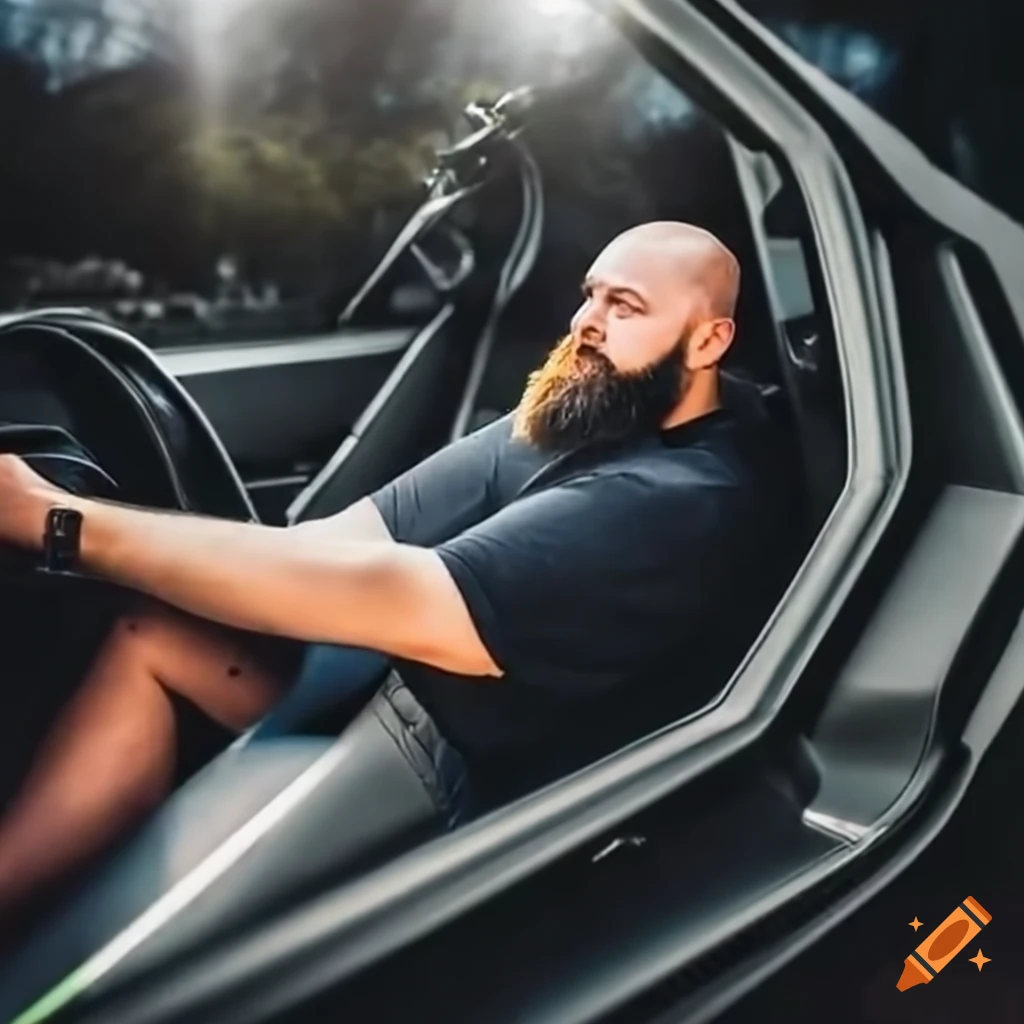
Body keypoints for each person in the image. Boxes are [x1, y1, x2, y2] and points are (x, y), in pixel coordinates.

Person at [0, 221, 797, 933]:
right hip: (393, 687)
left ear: (707, 342)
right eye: (589, 296)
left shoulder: (679, 500)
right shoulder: (585, 415)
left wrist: (56, 521)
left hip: (457, 778)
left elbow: (398, 595)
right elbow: (338, 541)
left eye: (625, 306)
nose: (587, 322)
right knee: (152, 627)